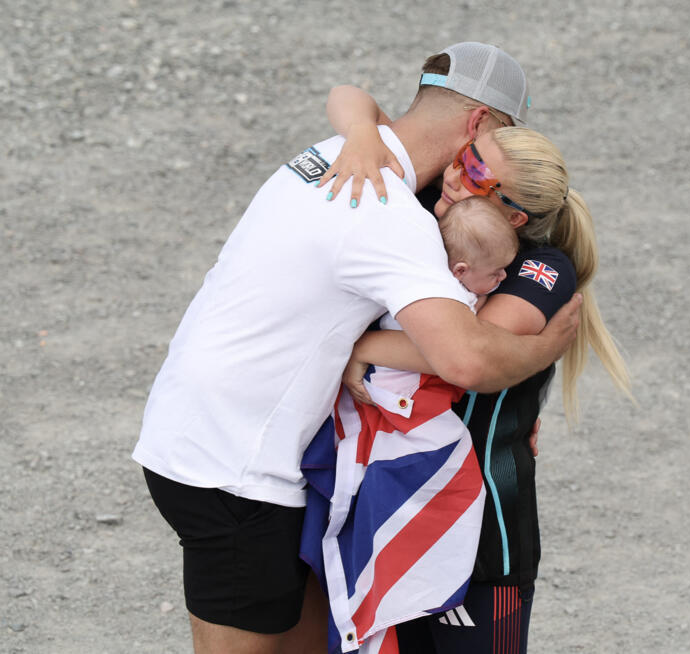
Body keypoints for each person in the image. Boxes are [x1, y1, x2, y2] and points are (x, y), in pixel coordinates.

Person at [132, 42, 582, 654]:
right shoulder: (395, 217)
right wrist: (547, 348)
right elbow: (468, 360)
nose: (465, 179)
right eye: (478, 158)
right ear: (477, 124)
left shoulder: (330, 155)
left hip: (198, 432)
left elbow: (352, 98)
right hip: (238, 470)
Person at [319, 83, 632, 654]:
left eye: (478, 176)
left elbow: (469, 354)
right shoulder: (432, 213)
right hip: (390, 507)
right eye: (466, 157)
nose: (456, 175)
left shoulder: (542, 270)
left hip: (489, 529)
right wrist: (363, 135)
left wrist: (352, 346)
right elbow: (349, 95)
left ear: (515, 215)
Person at [300, 196, 520, 653]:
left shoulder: (434, 285)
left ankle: (400, 591)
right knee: (456, 479)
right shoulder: (452, 301)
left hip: (390, 400)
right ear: (459, 271)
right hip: (400, 409)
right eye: (496, 272)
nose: (503, 279)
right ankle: (403, 591)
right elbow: (456, 358)